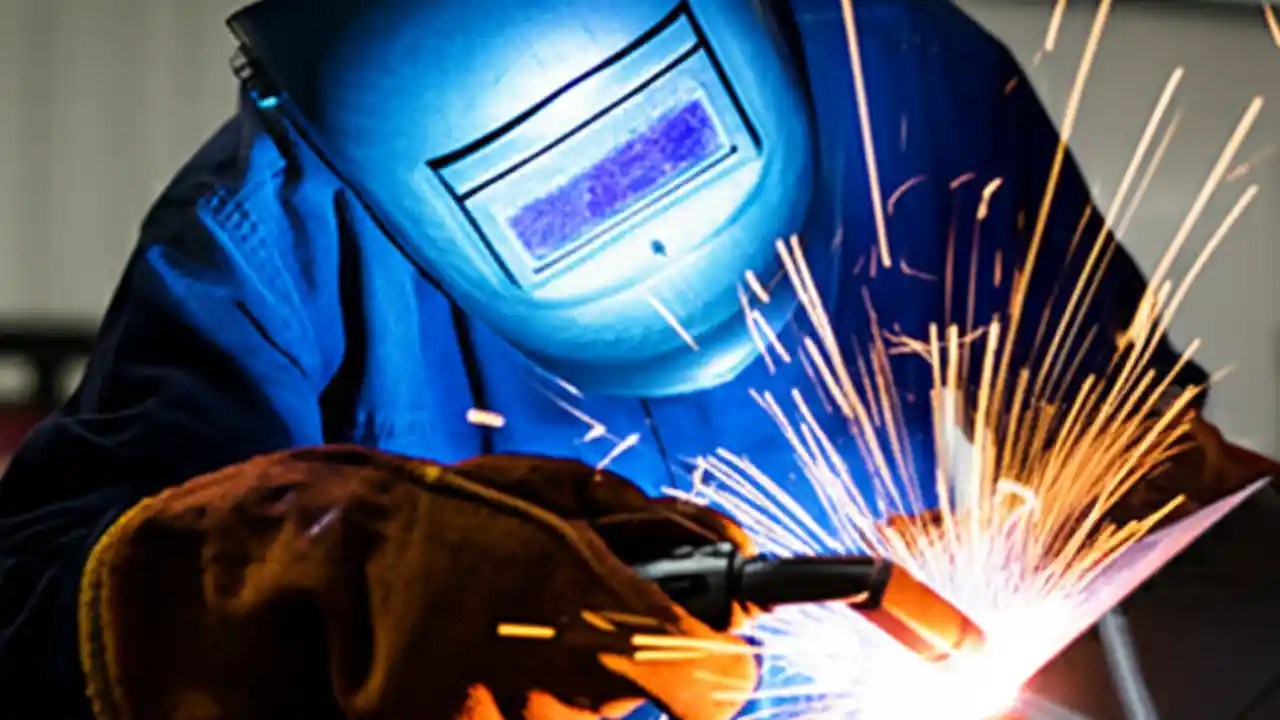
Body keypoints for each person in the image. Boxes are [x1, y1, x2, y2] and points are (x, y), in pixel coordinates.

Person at [0, 0, 1267, 718]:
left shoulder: (901, 74)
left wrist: (1093, 530)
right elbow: (32, 609)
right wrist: (292, 577)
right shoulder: (273, 236)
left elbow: (1122, 431)